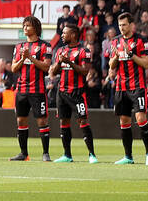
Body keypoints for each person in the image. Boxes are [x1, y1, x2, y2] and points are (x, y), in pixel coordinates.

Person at [110, 11, 148, 165]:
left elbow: (146, 64)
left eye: (124, 25)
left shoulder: (141, 41)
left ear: (131, 25)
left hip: (137, 86)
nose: (122, 28)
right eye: (120, 25)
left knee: (141, 118)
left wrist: (131, 55)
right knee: (124, 121)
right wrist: (116, 57)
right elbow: (111, 66)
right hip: (121, 87)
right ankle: (128, 157)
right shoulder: (115, 41)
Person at [50, 23, 97, 163]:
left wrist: (69, 62)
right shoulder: (60, 50)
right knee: (63, 121)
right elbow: (54, 72)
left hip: (77, 93)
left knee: (82, 120)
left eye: (65, 33)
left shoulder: (84, 51)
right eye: (62, 33)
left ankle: (92, 154)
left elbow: (84, 71)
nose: (62, 35)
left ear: (74, 35)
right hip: (62, 92)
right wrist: (59, 63)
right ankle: (67, 155)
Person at [9, 15, 53, 161]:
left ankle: (45, 153)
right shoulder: (18, 47)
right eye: (24, 26)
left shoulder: (45, 46)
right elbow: (14, 68)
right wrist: (23, 58)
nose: (25, 28)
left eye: (28, 26)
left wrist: (31, 58)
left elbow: (46, 67)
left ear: (35, 28)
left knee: (42, 121)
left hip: (38, 90)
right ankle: (23, 153)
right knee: (21, 121)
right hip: (21, 90)